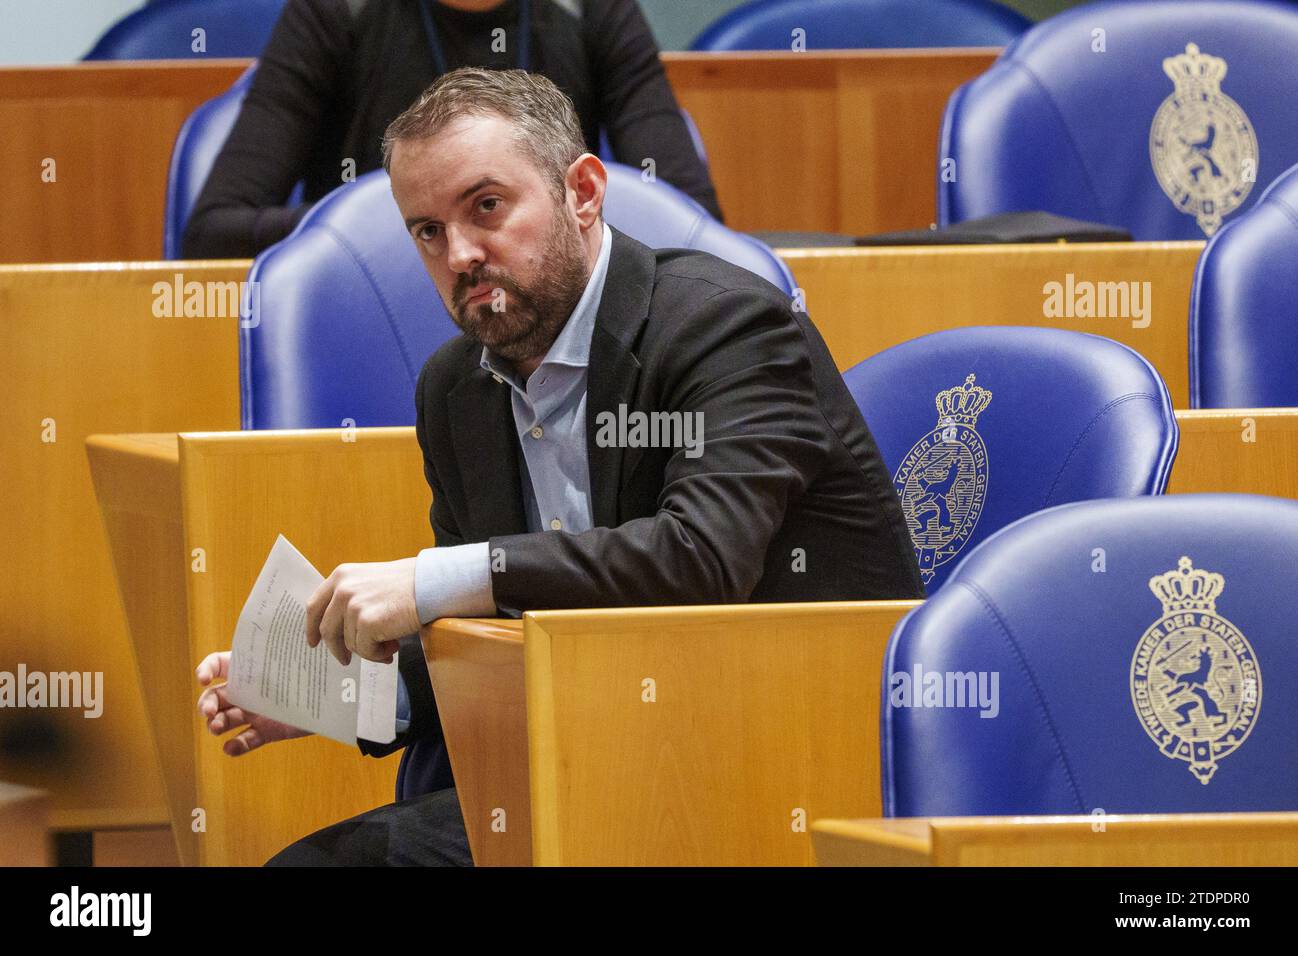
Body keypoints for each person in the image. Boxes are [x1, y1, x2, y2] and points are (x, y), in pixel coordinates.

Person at [195, 67, 923, 866]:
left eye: (486, 207)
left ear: (582, 192)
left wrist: (432, 578)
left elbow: (700, 560)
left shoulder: (726, 326)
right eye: (428, 232)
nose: (461, 254)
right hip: (593, 757)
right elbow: (497, 634)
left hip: (772, 759)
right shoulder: (455, 389)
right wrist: (340, 695)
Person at [181, 0, 723, 259]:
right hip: (377, 307)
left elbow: (691, 219)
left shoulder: (594, 11)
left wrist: (521, 226)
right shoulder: (335, 12)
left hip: (558, 322)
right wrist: (424, 230)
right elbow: (214, 233)